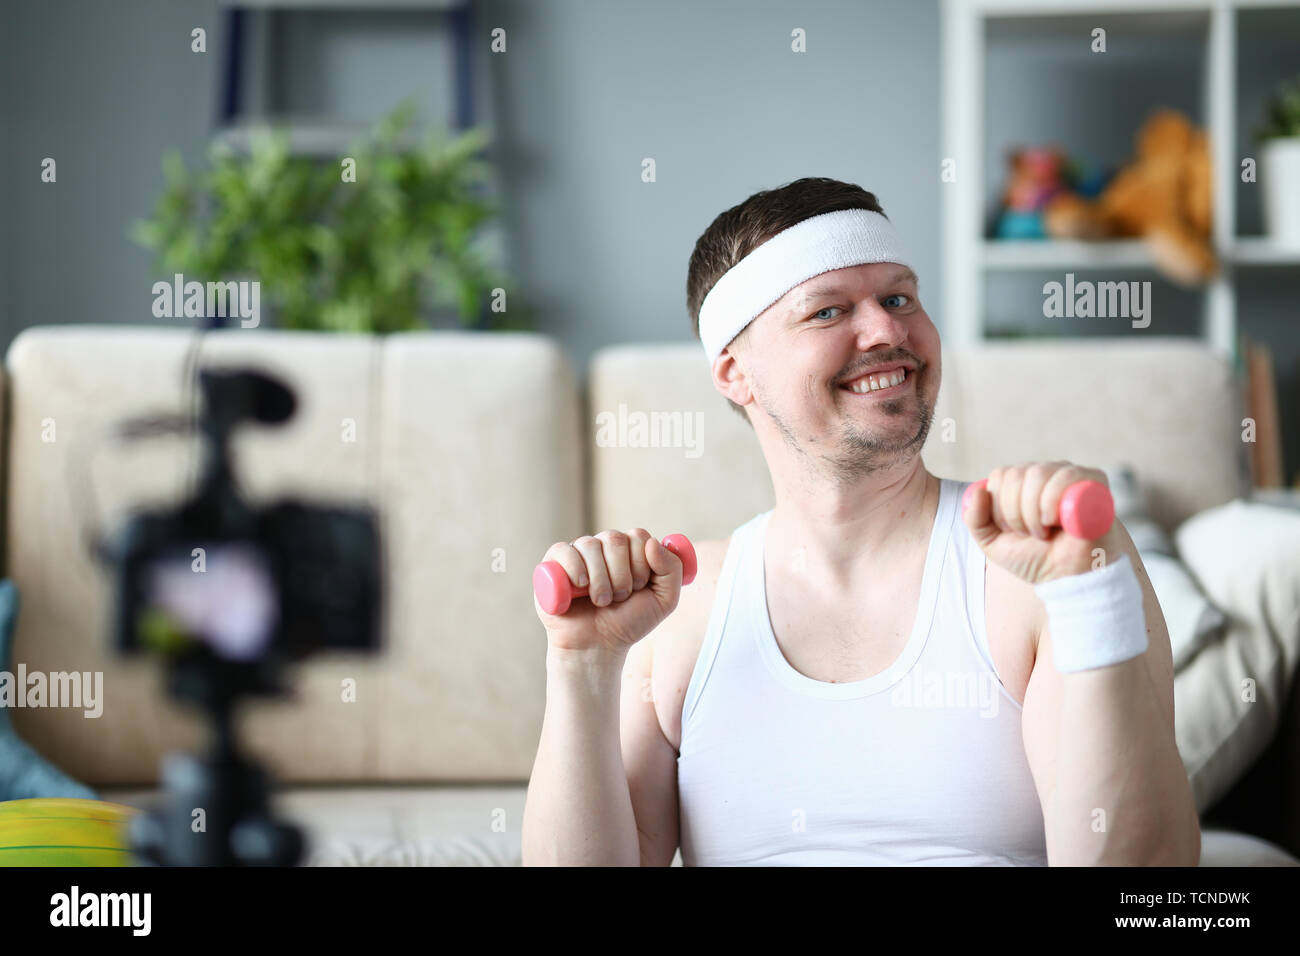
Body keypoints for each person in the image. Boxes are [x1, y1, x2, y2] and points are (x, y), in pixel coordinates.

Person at [521, 177, 1201, 866]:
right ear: (735, 373)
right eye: (828, 312)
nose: (887, 330)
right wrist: (580, 665)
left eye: (900, 297)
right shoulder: (679, 611)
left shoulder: (1048, 569)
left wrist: (1089, 594)